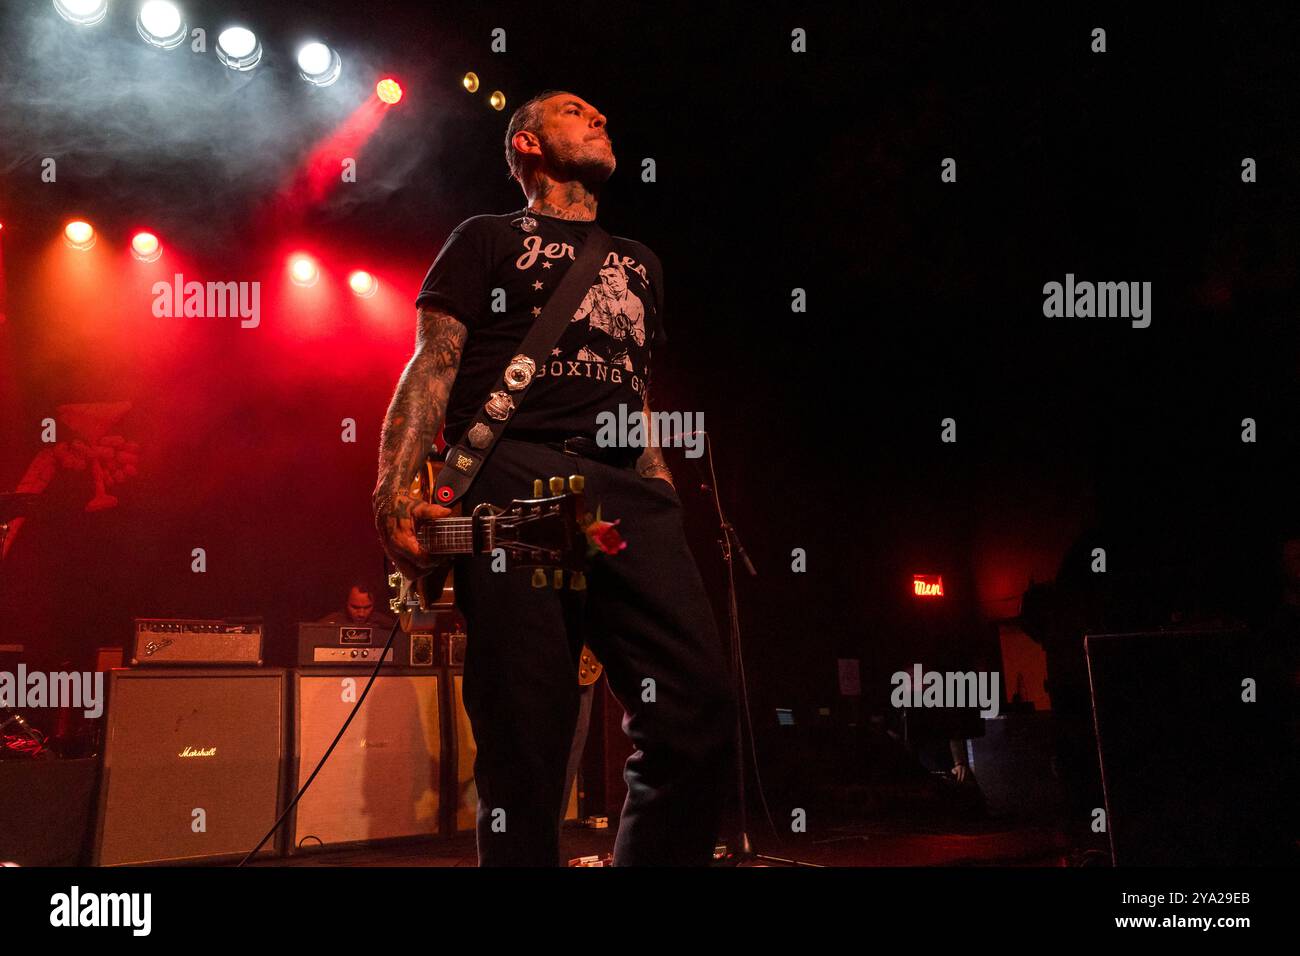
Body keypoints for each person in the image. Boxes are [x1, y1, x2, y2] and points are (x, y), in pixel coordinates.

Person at [373, 90, 735, 866]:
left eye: (605, 112)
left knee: (695, 706)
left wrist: (660, 492)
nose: (602, 117)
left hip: (626, 486)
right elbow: (432, 363)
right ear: (527, 144)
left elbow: (632, 393)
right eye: (577, 111)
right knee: (526, 734)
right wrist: (394, 487)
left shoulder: (641, 262)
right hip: (517, 473)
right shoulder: (486, 237)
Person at [316, 583, 395, 629]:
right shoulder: (327, 624)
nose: (361, 614)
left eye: (367, 607)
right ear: (346, 603)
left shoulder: (387, 626)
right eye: (355, 607)